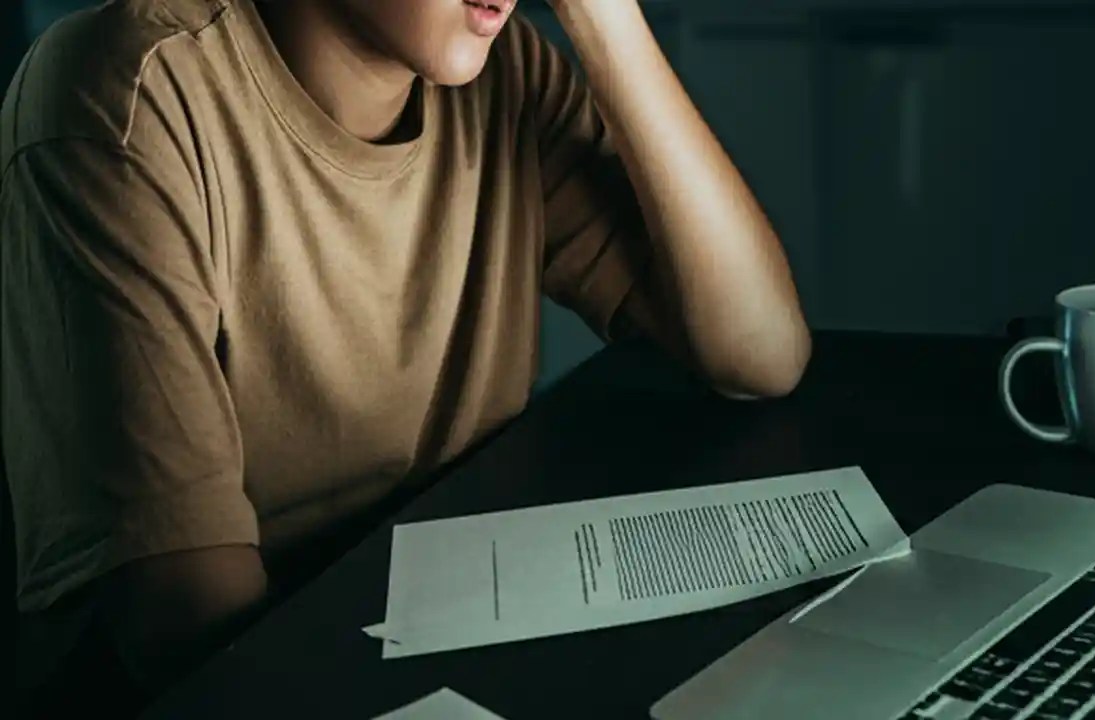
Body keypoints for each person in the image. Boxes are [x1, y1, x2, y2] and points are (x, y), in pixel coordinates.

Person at [1, 0, 811, 712]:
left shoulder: (506, 79)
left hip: (442, 646)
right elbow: (186, 628)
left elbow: (760, 354)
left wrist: (606, 20)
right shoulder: (126, 94)